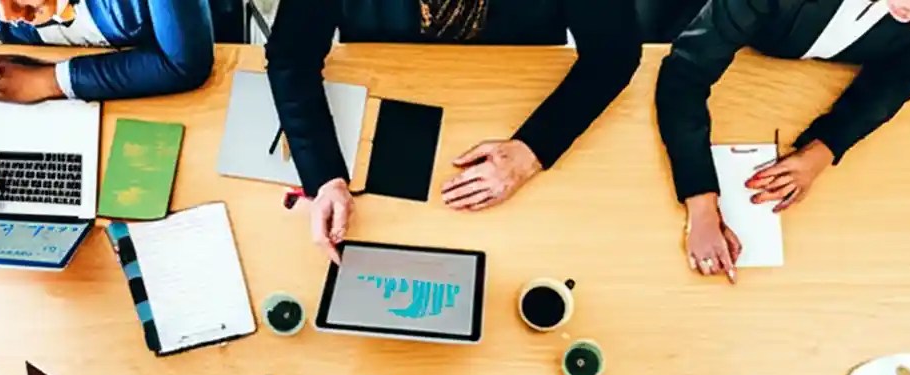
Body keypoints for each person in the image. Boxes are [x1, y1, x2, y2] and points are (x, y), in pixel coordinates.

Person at [265, 0, 642, 263]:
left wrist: (533, 149)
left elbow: (614, 53)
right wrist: (324, 178)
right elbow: (291, 55)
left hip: (517, 93)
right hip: (388, 81)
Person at [655, 0, 910, 283]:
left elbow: (900, 76)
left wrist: (824, 149)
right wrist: (701, 205)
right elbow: (686, 73)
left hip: (819, 72)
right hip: (728, 37)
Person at [0, 0, 218, 205]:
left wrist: (49, 80)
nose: (9, 16)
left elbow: (184, 63)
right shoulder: (8, 7)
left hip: (172, 100)